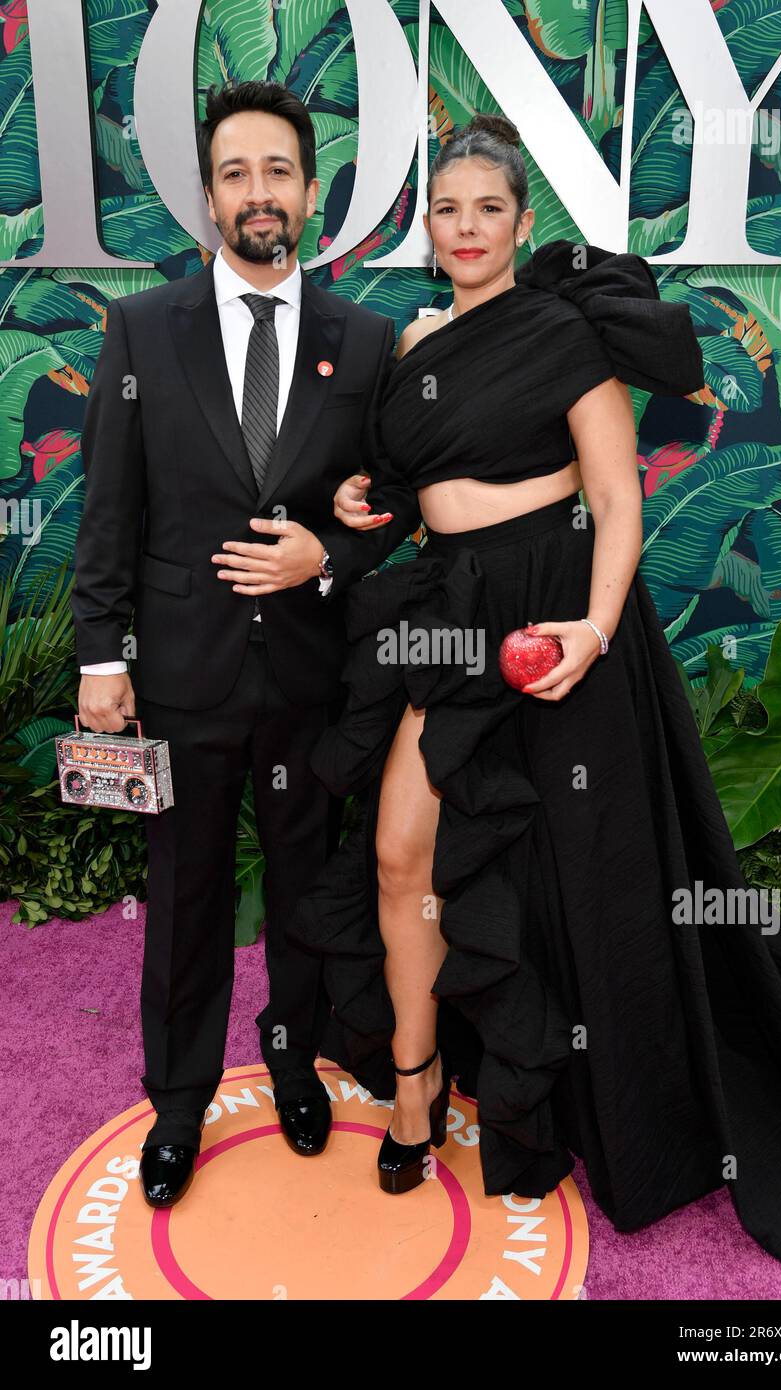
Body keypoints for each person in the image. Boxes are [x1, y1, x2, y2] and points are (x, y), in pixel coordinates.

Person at [282, 113, 781, 1263]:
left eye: (485, 209)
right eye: (445, 209)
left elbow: (617, 493)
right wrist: (361, 498)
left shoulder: (566, 329)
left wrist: (593, 628)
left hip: (553, 606)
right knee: (402, 853)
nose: (463, 227)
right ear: (427, 223)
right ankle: (415, 1079)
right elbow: (404, 485)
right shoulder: (412, 345)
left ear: (519, 222)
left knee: (588, 876)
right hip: (449, 613)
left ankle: (601, 1100)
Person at [70, 80, 421, 1207]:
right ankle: (177, 1102)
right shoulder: (142, 329)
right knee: (183, 892)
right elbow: (109, 506)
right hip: (182, 673)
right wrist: (101, 660)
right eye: (235, 173)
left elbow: (395, 509)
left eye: (278, 171)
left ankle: (292, 1055)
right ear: (207, 197)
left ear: (312, 193)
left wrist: (321, 556)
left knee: (313, 889)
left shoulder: (365, 342)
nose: (257, 192)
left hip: (310, 678)